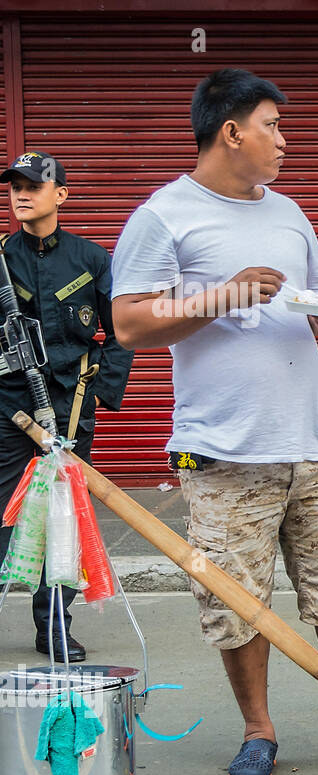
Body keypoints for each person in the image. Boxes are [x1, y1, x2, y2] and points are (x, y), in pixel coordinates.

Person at [109, 68, 318, 775]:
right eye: (273, 125)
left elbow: (309, 295)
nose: (285, 139)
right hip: (224, 449)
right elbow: (129, 323)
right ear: (231, 133)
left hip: (312, 439)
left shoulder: (289, 213)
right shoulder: (164, 217)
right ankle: (258, 731)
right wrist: (222, 295)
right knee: (236, 603)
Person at [0, 151, 133, 662]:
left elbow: (122, 328)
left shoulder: (92, 259)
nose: (21, 194)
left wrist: (101, 387)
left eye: (32, 185)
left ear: (61, 195)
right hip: (9, 407)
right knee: (3, 515)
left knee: (66, 517)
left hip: (72, 406)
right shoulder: (1, 259)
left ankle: (54, 623)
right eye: (14, 186)